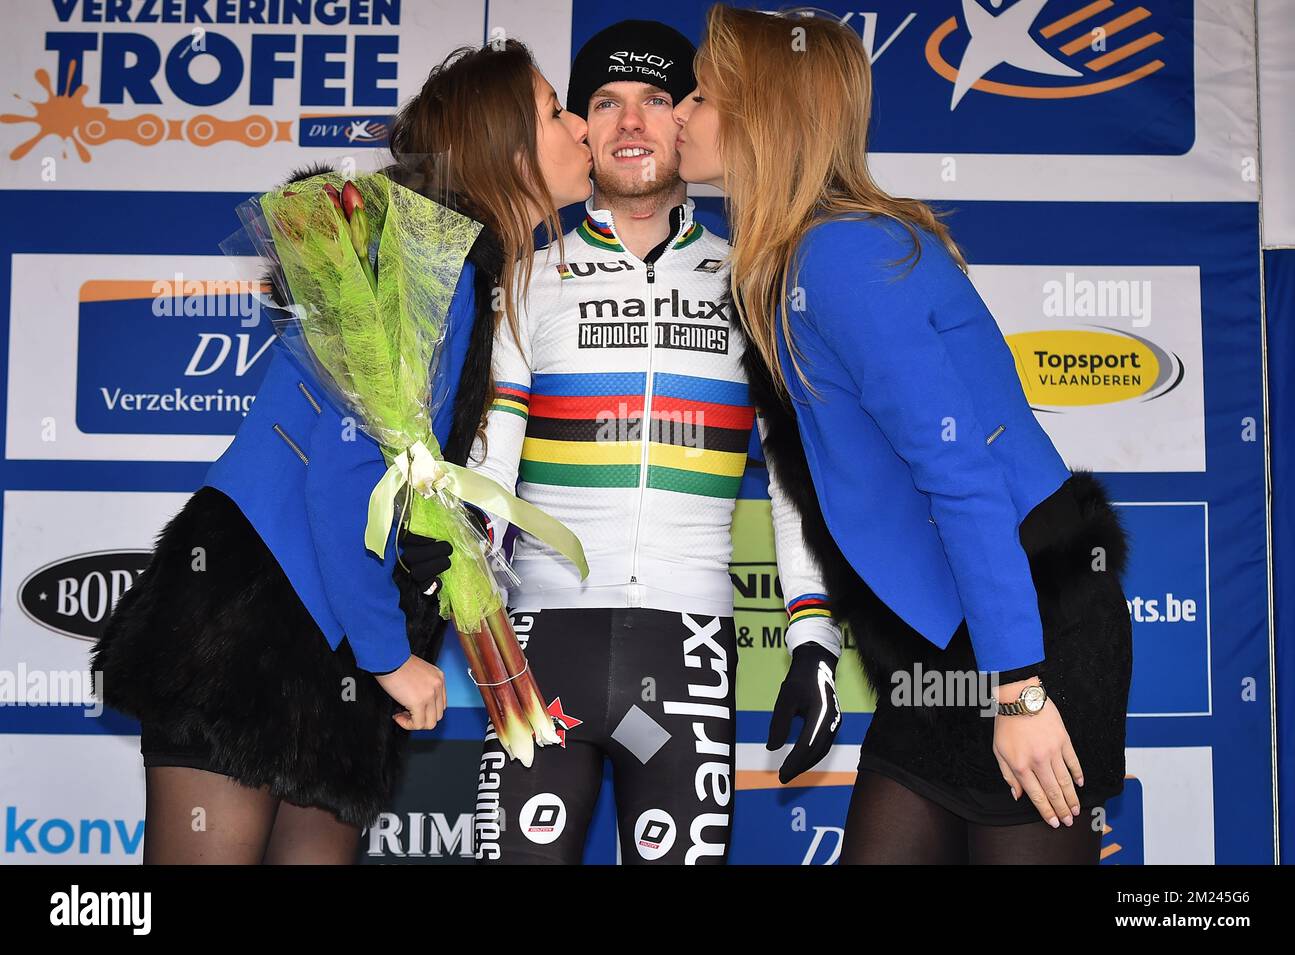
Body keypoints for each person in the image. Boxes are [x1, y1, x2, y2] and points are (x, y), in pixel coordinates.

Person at [89, 40, 593, 864]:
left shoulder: (445, 253)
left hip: (334, 637)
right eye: (552, 112)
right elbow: (347, 471)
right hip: (254, 623)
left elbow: (400, 481)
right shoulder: (431, 259)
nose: (577, 127)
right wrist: (391, 656)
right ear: (503, 145)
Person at [673, 5, 1133, 864]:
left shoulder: (837, 258)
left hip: (1026, 625)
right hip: (949, 644)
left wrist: (1021, 693)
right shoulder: (788, 266)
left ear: (760, 115)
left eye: (700, 96)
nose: (680, 114)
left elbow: (959, 474)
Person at [452, 20, 842, 865]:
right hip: (539, 642)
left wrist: (813, 637)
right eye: (605, 102)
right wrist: (457, 568)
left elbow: (793, 484)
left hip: (692, 640)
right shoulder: (527, 275)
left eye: (657, 99)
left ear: (692, 119)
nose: (631, 122)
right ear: (581, 133)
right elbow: (492, 468)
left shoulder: (755, 280)